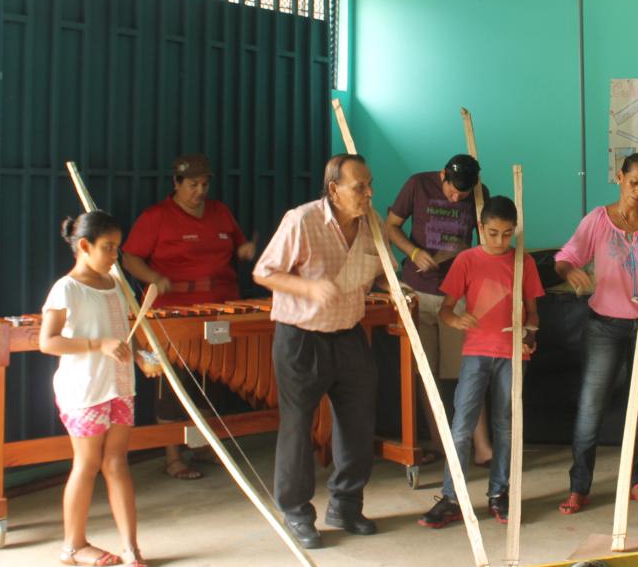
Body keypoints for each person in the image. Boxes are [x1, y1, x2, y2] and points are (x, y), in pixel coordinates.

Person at [253, 153, 386, 549]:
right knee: (298, 427)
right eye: (359, 187)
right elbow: (264, 271)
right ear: (334, 189)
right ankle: (296, 512)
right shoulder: (302, 219)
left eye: (369, 185)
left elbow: (379, 271)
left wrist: (393, 285)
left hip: (348, 335)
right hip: (301, 338)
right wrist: (310, 288)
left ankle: (346, 504)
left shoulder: (370, 224)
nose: (368, 193)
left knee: (359, 423)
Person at [554, 152, 638, 514]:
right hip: (605, 326)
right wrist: (570, 273)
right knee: (591, 405)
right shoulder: (598, 219)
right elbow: (566, 257)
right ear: (618, 177)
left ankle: (635, 481)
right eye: (633, 182)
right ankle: (580, 486)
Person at [121, 153, 255, 480]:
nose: (199, 191)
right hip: (172, 313)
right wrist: (154, 277)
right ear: (176, 183)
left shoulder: (220, 212)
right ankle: (173, 456)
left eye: (204, 184)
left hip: (219, 309)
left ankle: (201, 445)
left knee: (211, 382)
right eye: (192, 184)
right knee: (172, 385)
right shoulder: (156, 217)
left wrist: (245, 251)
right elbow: (129, 258)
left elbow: (237, 245)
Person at [418, 196, 544, 529]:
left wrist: (529, 333)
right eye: (492, 233)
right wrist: (455, 320)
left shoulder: (523, 262)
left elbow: (532, 312)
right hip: (476, 353)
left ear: (515, 230)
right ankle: (451, 497)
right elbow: (446, 309)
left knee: (505, 426)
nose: (500, 241)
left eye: (506, 234)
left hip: (512, 354)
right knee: (461, 427)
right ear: (480, 228)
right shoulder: (466, 261)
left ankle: (498, 494)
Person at [39, 212, 155, 567]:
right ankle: (72, 547)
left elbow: (121, 335)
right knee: (87, 464)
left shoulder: (116, 284)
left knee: (117, 463)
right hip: (84, 389)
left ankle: (131, 547)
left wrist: (140, 357)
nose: (114, 256)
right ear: (84, 246)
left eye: (118, 248)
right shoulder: (66, 288)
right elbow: (48, 342)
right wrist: (97, 345)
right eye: (108, 248)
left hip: (119, 386)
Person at [387, 154, 490, 462]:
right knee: (426, 372)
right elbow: (390, 227)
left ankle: (482, 447)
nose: (457, 197)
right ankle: (440, 442)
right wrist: (414, 251)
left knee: (467, 371)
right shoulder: (418, 184)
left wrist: (463, 250)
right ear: (443, 175)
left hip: (455, 293)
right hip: (415, 290)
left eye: (462, 194)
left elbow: (485, 238)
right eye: (452, 191)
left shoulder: (478, 194)